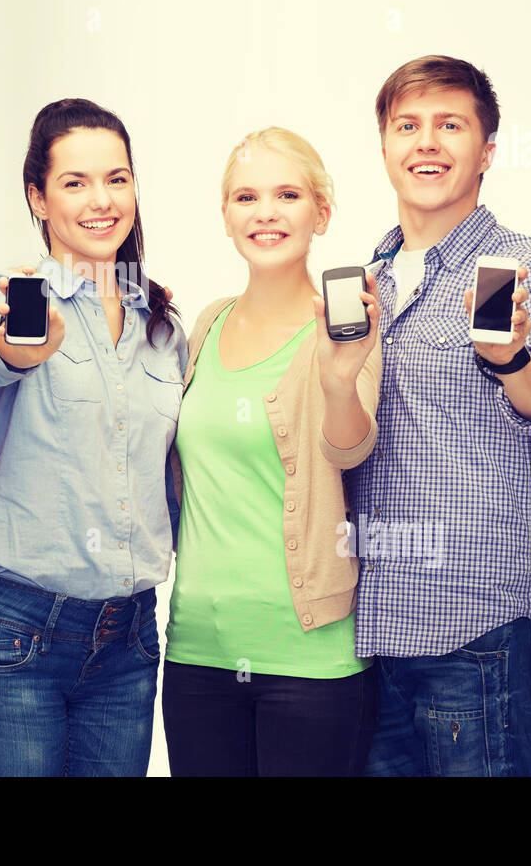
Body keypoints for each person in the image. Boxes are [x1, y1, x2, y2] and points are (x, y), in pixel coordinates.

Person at [346, 55, 531, 777]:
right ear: (386, 146)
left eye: (449, 125)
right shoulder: (367, 280)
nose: (426, 142)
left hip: (475, 623)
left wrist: (513, 359)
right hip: (373, 627)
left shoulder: (521, 267)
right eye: (408, 126)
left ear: (486, 150)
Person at [0, 98, 188, 777]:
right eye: (74, 182)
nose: (100, 199)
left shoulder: (162, 324)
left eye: (116, 178)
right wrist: (27, 346)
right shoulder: (13, 293)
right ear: (38, 197)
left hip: (129, 637)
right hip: (12, 630)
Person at [162, 127, 381, 777]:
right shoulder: (206, 323)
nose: (265, 212)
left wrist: (340, 377)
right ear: (226, 215)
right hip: (198, 650)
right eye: (246, 196)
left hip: (309, 659)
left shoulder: (347, 330)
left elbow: (352, 447)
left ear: (322, 212)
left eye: (287, 194)